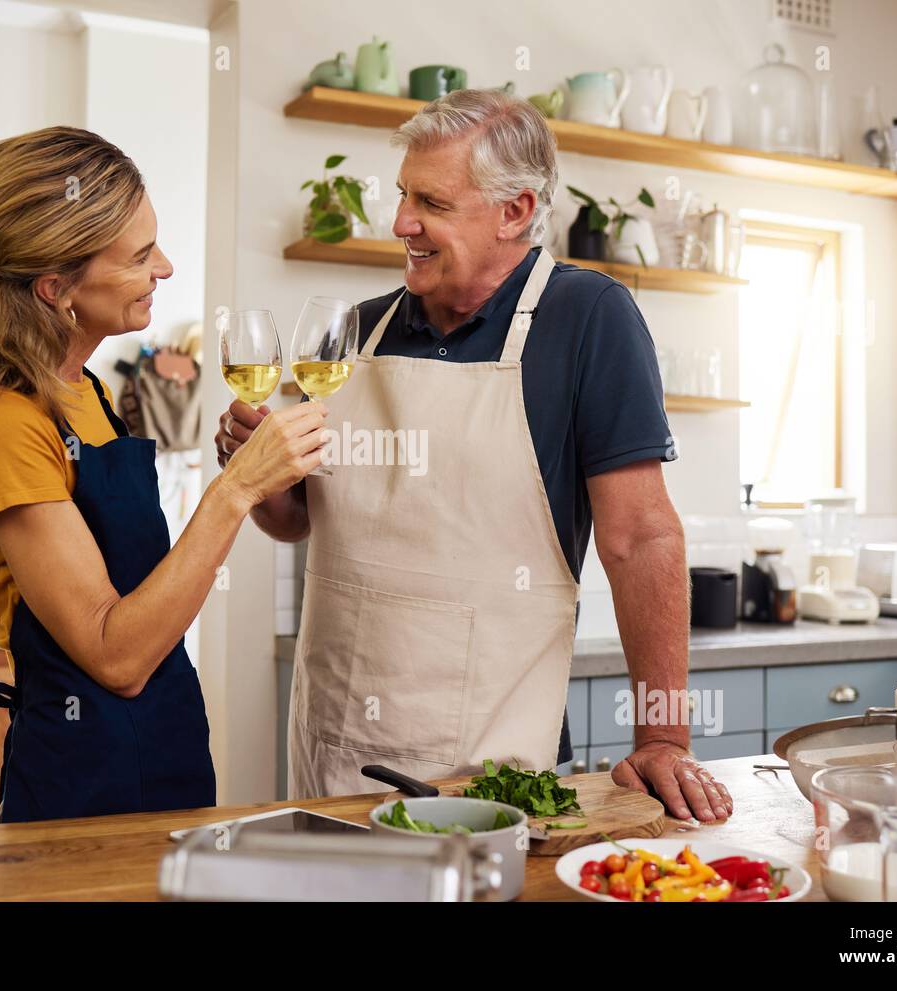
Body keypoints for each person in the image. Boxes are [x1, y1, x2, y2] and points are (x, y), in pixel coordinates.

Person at [216, 91, 732, 823]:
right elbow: (298, 520)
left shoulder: (588, 319)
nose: (401, 223)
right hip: (336, 755)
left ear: (515, 211)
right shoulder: (355, 334)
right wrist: (253, 471)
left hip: (495, 769)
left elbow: (641, 536)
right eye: (402, 194)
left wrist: (663, 734)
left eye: (430, 201)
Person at [0, 127, 327, 822]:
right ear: (55, 286)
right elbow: (114, 654)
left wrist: (255, 480)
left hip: (165, 750)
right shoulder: (3, 422)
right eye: (139, 255)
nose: (164, 267)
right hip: (81, 776)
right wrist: (237, 488)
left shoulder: (86, 389)